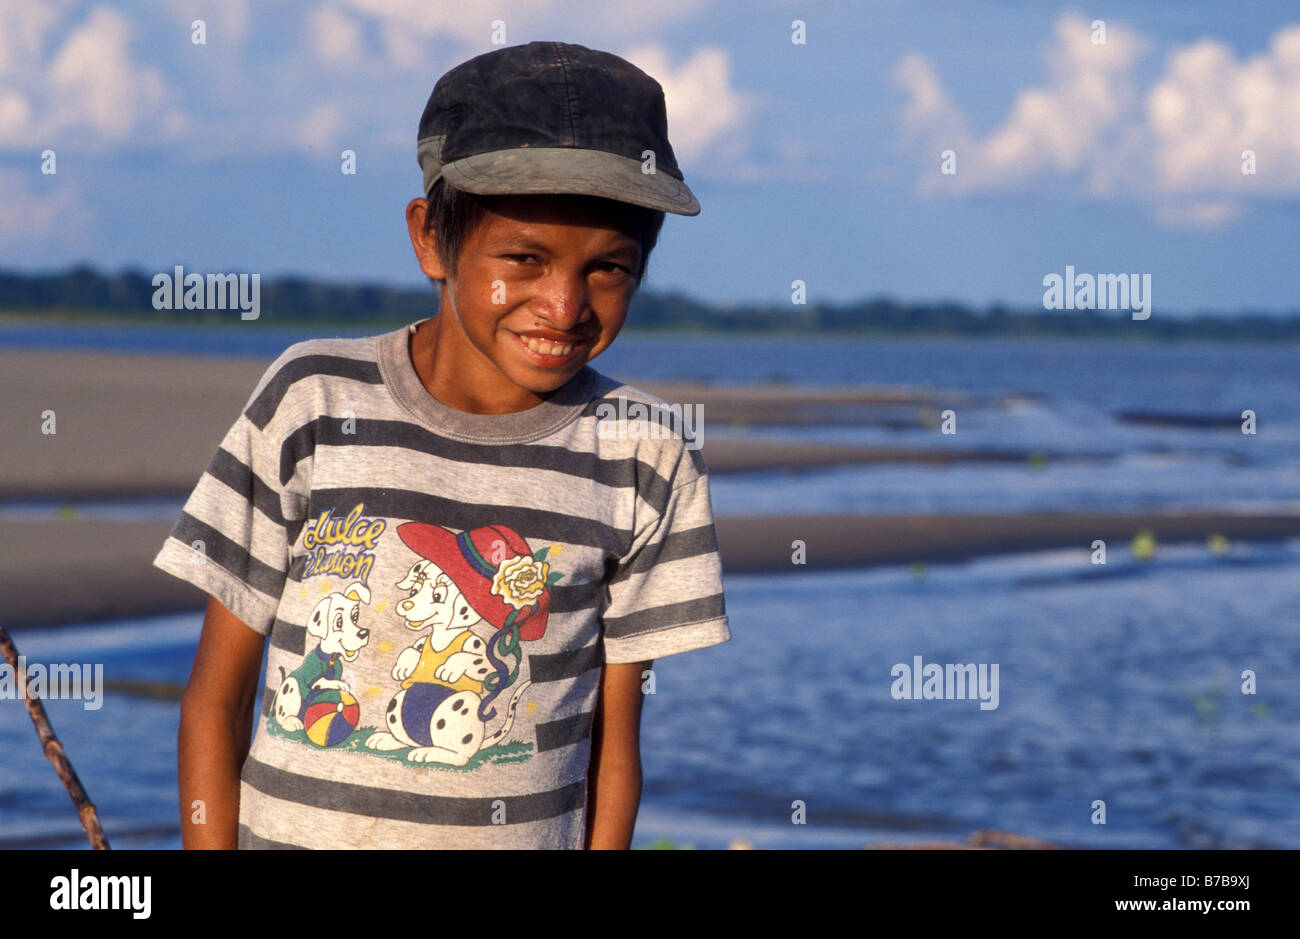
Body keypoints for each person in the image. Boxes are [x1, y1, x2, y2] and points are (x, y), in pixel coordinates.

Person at [152, 40, 730, 849]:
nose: (564, 305)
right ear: (432, 240)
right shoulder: (311, 399)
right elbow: (216, 698)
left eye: (609, 269)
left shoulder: (645, 454)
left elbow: (614, 746)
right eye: (524, 258)